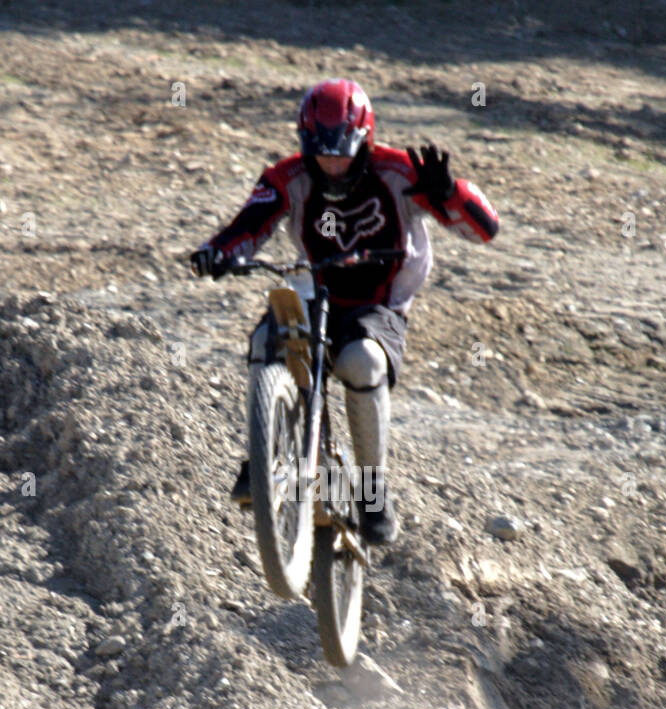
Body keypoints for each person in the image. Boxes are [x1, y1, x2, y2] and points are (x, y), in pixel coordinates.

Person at [190, 78, 499, 544]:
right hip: (315, 291)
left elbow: (486, 229)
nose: (332, 165)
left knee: (362, 362)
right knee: (264, 340)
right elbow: (247, 227)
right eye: (321, 153)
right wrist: (219, 253)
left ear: (365, 142)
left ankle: (373, 490)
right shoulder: (287, 178)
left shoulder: (401, 173)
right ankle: (262, 456)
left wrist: (451, 193)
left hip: (379, 303)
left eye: (343, 153)